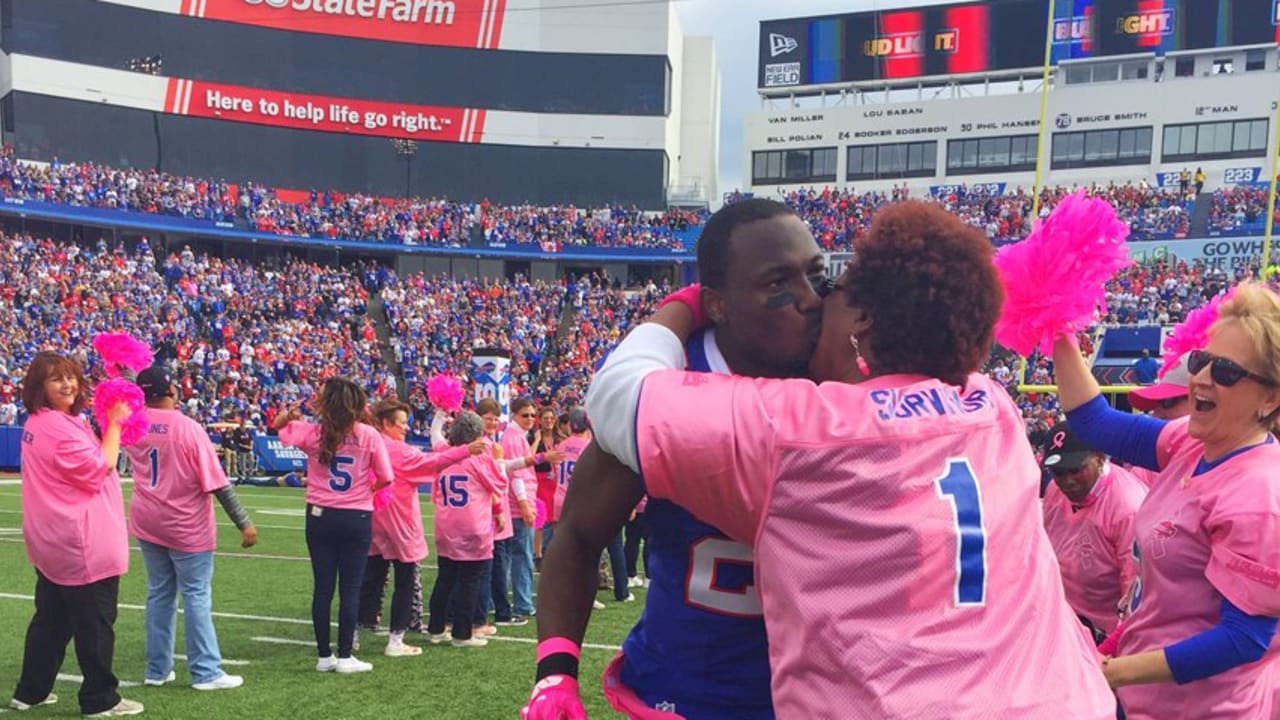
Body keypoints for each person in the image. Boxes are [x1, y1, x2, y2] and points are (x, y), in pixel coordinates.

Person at [584, 202, 1116, 718]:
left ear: (862, 321)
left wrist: (681, 307)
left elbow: (616, 396)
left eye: (830, 288)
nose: (814, 304)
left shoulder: (805, 428)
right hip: (1063, 699)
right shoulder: (992, 405)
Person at [526, 198, 826, 720]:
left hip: (822, 694)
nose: (809, 299)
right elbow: (578, 535)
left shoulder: (846, 370)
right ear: (718, 304)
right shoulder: (671, 384)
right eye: (777, 282)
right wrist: (556, 670)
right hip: (688, 690)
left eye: (816, 274)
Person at [1052, 284, 1280, 719]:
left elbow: (1243, 638)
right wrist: (1056, 325)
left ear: (1270, 398)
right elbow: (1096, 422)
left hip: (1205, 709)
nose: (1202, 378)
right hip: (1147, 697)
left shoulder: (1260, 494)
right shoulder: (1194, 444)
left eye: (1226, 371)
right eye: (1201, 360)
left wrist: (1111, 672)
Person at [9, 352, 144, 717]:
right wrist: (115, 424)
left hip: (54, 539)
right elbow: (102, 465)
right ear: (39, 387)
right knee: (95, 623)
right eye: (56, 379)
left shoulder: (44, 421)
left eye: (70, 376)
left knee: (52, 620)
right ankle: (100, 699)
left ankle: (31, 691)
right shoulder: (56, 427)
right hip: (81, 540)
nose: (67, 384)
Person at [125, 366, 257, 691]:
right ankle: (206, 670)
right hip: (185, 521)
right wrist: (243, 523)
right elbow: (217, 482)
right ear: (171, 390)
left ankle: (157, 669)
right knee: (196, 594)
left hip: (147, 516)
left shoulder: (133, 424)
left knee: (159, 594)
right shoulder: (187, 428)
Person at [274, 377, 393, 674]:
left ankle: (324, 656)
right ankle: (345, 656)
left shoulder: (313, 433)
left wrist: (287, 416)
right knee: (350, 589)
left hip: (319, 515)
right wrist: (366, 491)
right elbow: (386, 477)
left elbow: (279, 428)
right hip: (355, 516)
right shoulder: (368, 434)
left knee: (323, 588)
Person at [358, 398, 486, 657]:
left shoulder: (368, 442)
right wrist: (466, 450)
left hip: (372, 518)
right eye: (402, 423)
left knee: (369, 580)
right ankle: (396, 639)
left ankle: (353, 634)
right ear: (386, 423)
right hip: (400, 521)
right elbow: (432, 462)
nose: (406, 427)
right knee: (405, 580)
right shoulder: (398, 450)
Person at [1040, 427, 1147, 639]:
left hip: (1106, 632)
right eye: (1058, 472)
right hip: (1062, 619)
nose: (1067, 481)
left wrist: (1116, 644)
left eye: (1076, 470)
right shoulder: (1054, 490)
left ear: (1099, 459)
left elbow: (1134, 591)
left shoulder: (1127, 507)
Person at [425, 411, 507, 648]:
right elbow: (500, 483)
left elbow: (435, 436)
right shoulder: (479, 459)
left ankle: (436, 628)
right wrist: (499, 460)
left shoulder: (444, 454)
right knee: (470, 580)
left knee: (446, 578)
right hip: (472, 526)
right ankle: (462, 633)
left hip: (446, 524)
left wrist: (439, 416)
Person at [496, 397, 563, 625]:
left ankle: (505, 601)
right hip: (518, 504)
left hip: (517, 502)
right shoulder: (515, 438)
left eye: (533, 415)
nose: (531, 419)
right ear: (514, 414)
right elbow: (516, 474)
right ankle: (523, 603)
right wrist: (524, 504)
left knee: (511, 556)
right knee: (521, 555)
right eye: (525, 415)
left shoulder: (516, 436)